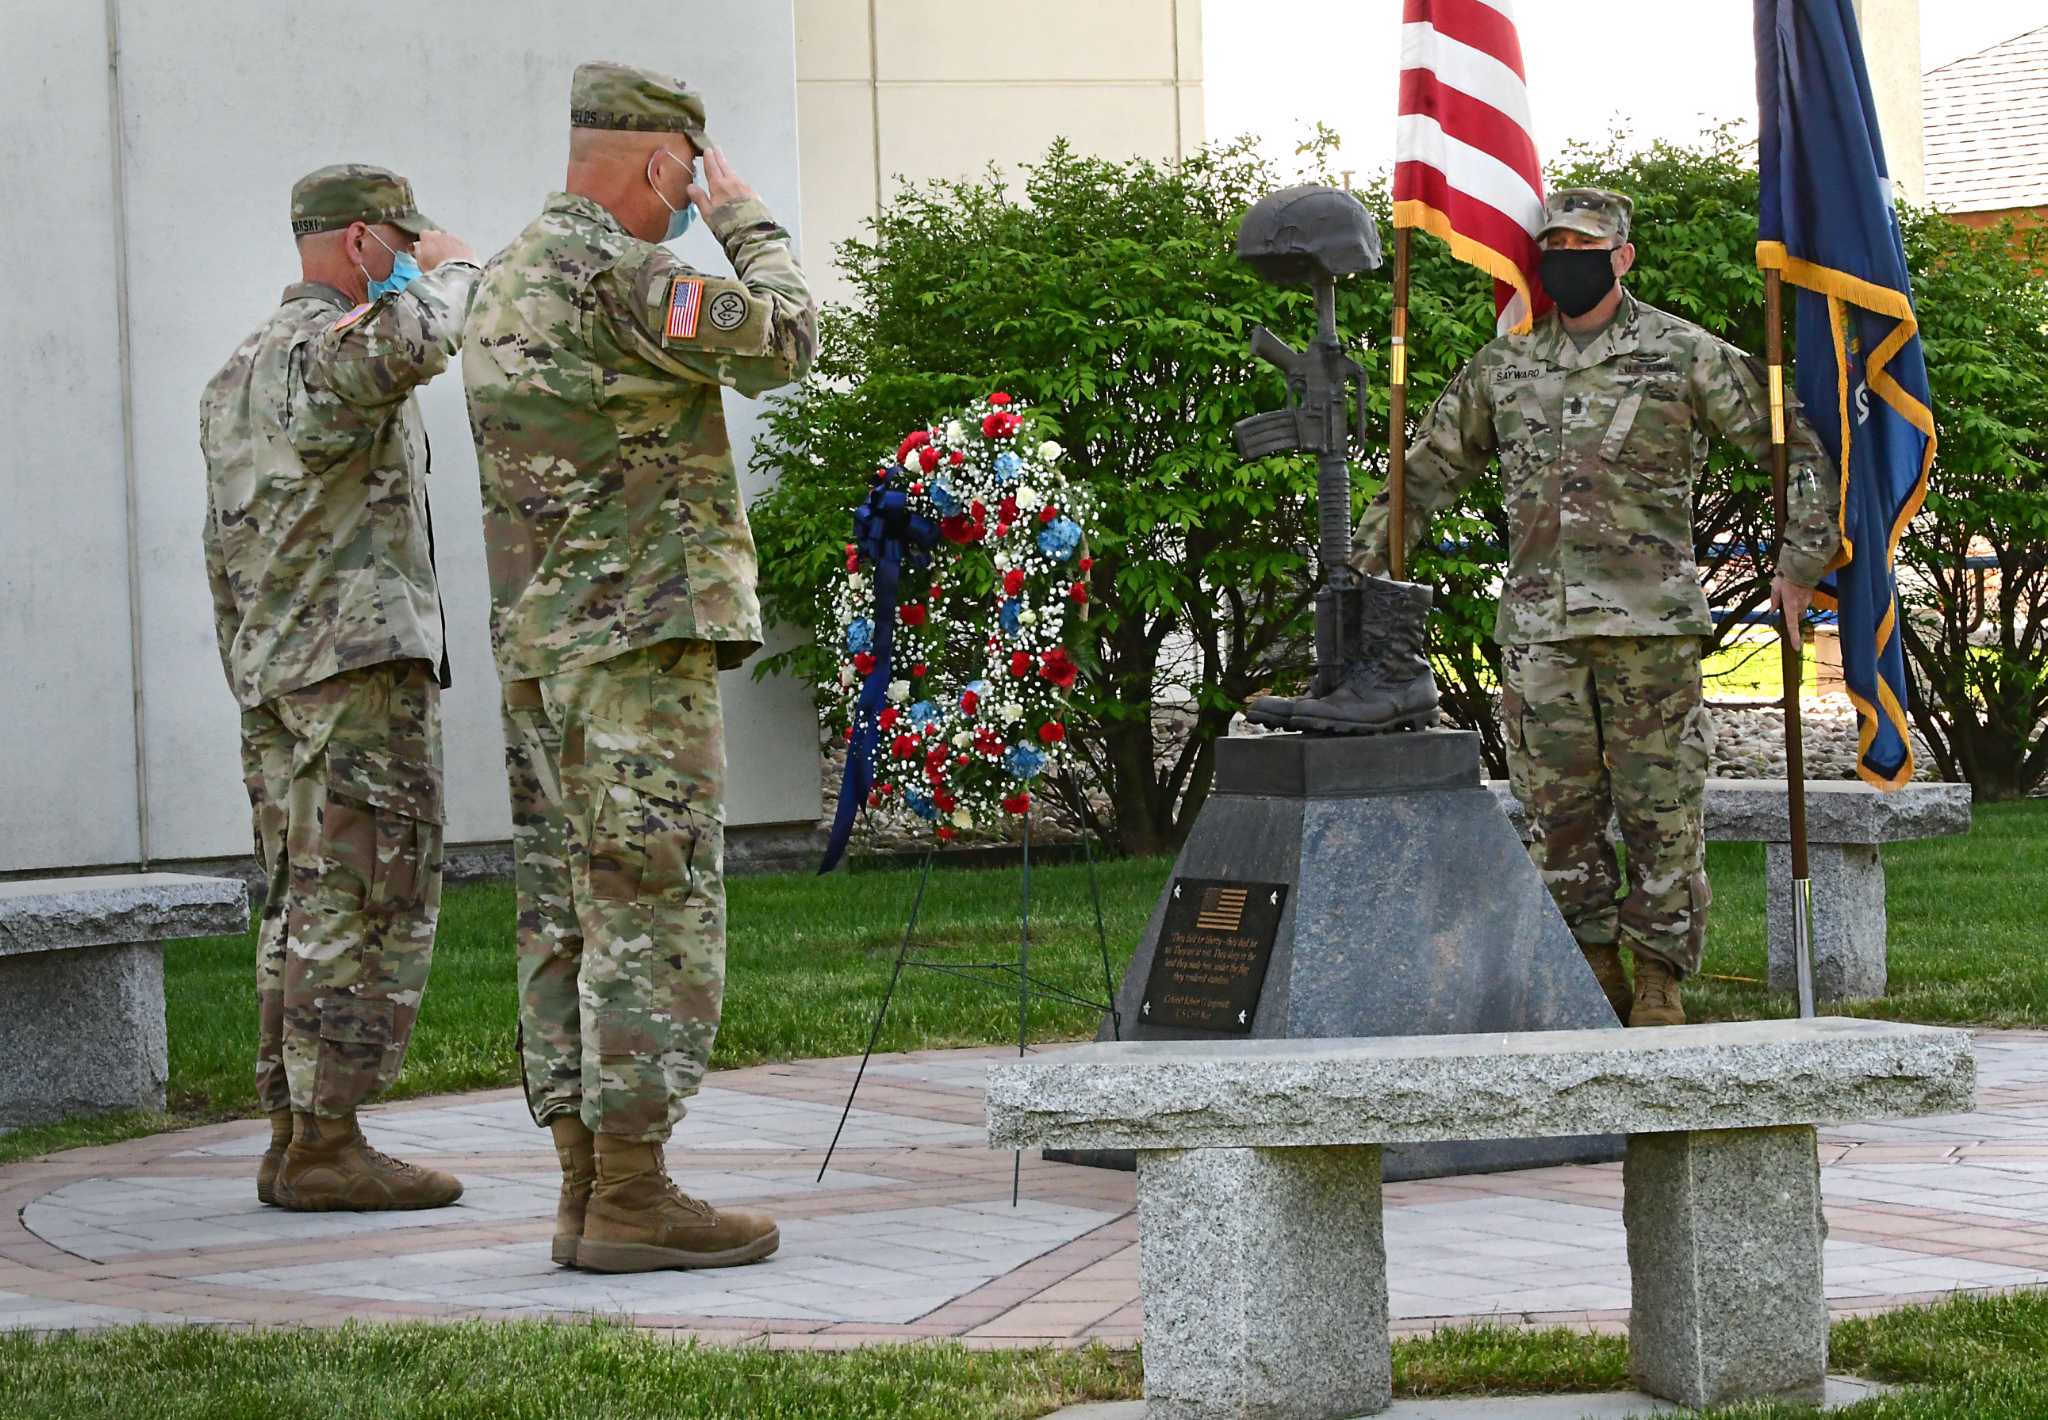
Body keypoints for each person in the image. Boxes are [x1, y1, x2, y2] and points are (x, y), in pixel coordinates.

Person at [462, 61, 817, 1272]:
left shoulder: (505, 275)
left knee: (564, 910)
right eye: (687, 173)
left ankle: (582, 1188)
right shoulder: (632, 274)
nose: (687, 196)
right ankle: (634, 1192)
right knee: (653, 905)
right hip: (635, 638)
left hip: (543, 650)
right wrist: (745, 222)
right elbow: (787, 342)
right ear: (664, 162)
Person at [1350, 187, 1841, 1028]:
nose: (1566, 262)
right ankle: (1590, 965)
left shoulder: (1681, 353)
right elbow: (1426, 468)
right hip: (1541, 630)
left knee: (1663, 808)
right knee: (1555, 815)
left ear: (1622, 257)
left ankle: (1658, 978)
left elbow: (1790, 442)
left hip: (1650, 627)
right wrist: (1364, 567)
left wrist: (1800, 563)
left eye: (1586, 248)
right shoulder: (1504, 367)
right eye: (1555, 248)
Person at [200, 163, 480, 1209]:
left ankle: (292, 1132)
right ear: (359, 241)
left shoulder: (237, 369)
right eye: (400, 241)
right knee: (361, 896)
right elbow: (417, 339)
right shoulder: (325, 351)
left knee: (300, 896)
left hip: (278, 671)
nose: (412, 255)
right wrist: (455, 272)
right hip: (351, 672)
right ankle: (327, 1140)